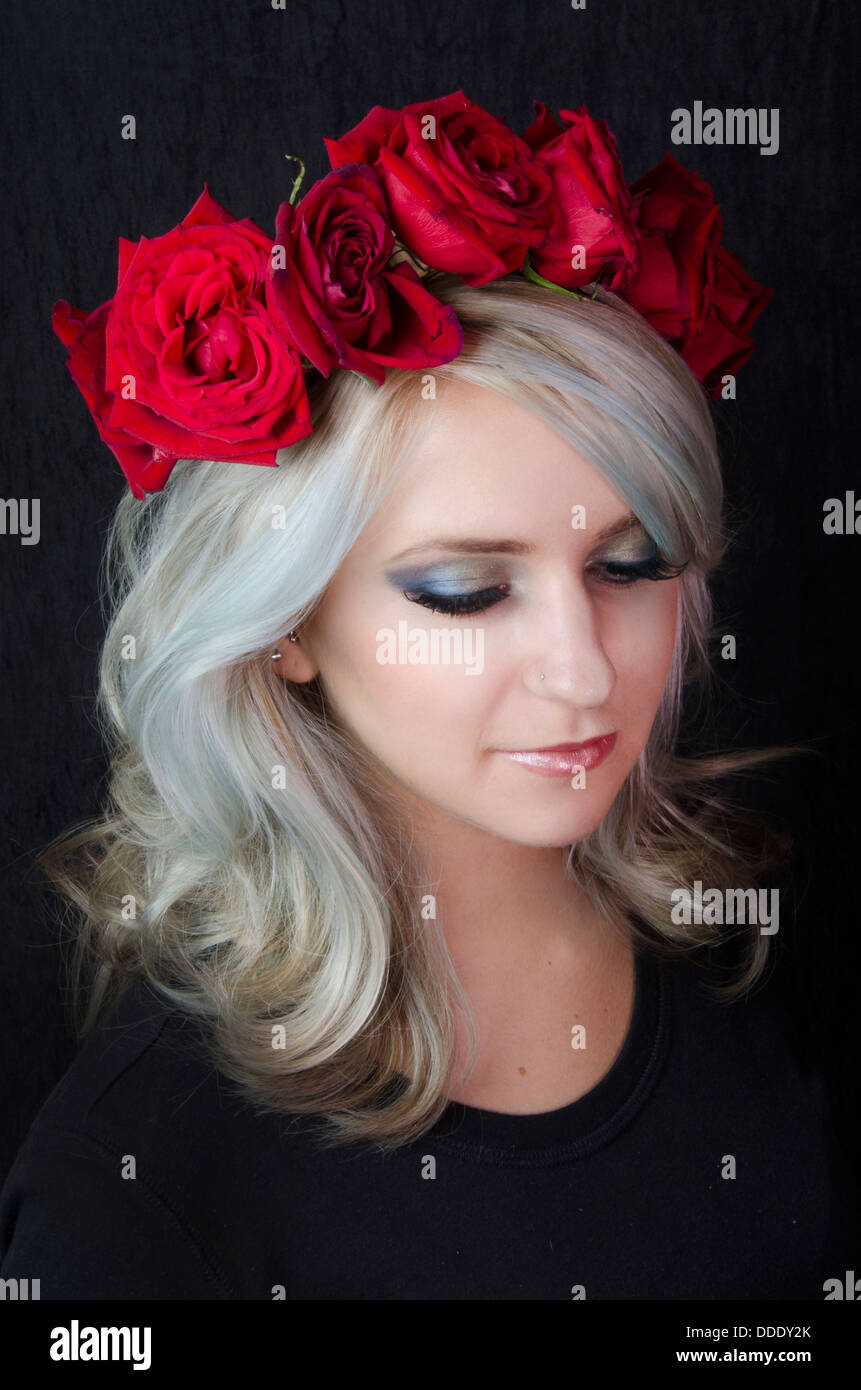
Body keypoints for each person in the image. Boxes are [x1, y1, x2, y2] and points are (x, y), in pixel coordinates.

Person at [1, 93, 858, 1298]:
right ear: (286, 625)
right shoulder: (141, 1194)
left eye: (630, 565)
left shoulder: (754, 949)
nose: (583, 669)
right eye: (466, 591)